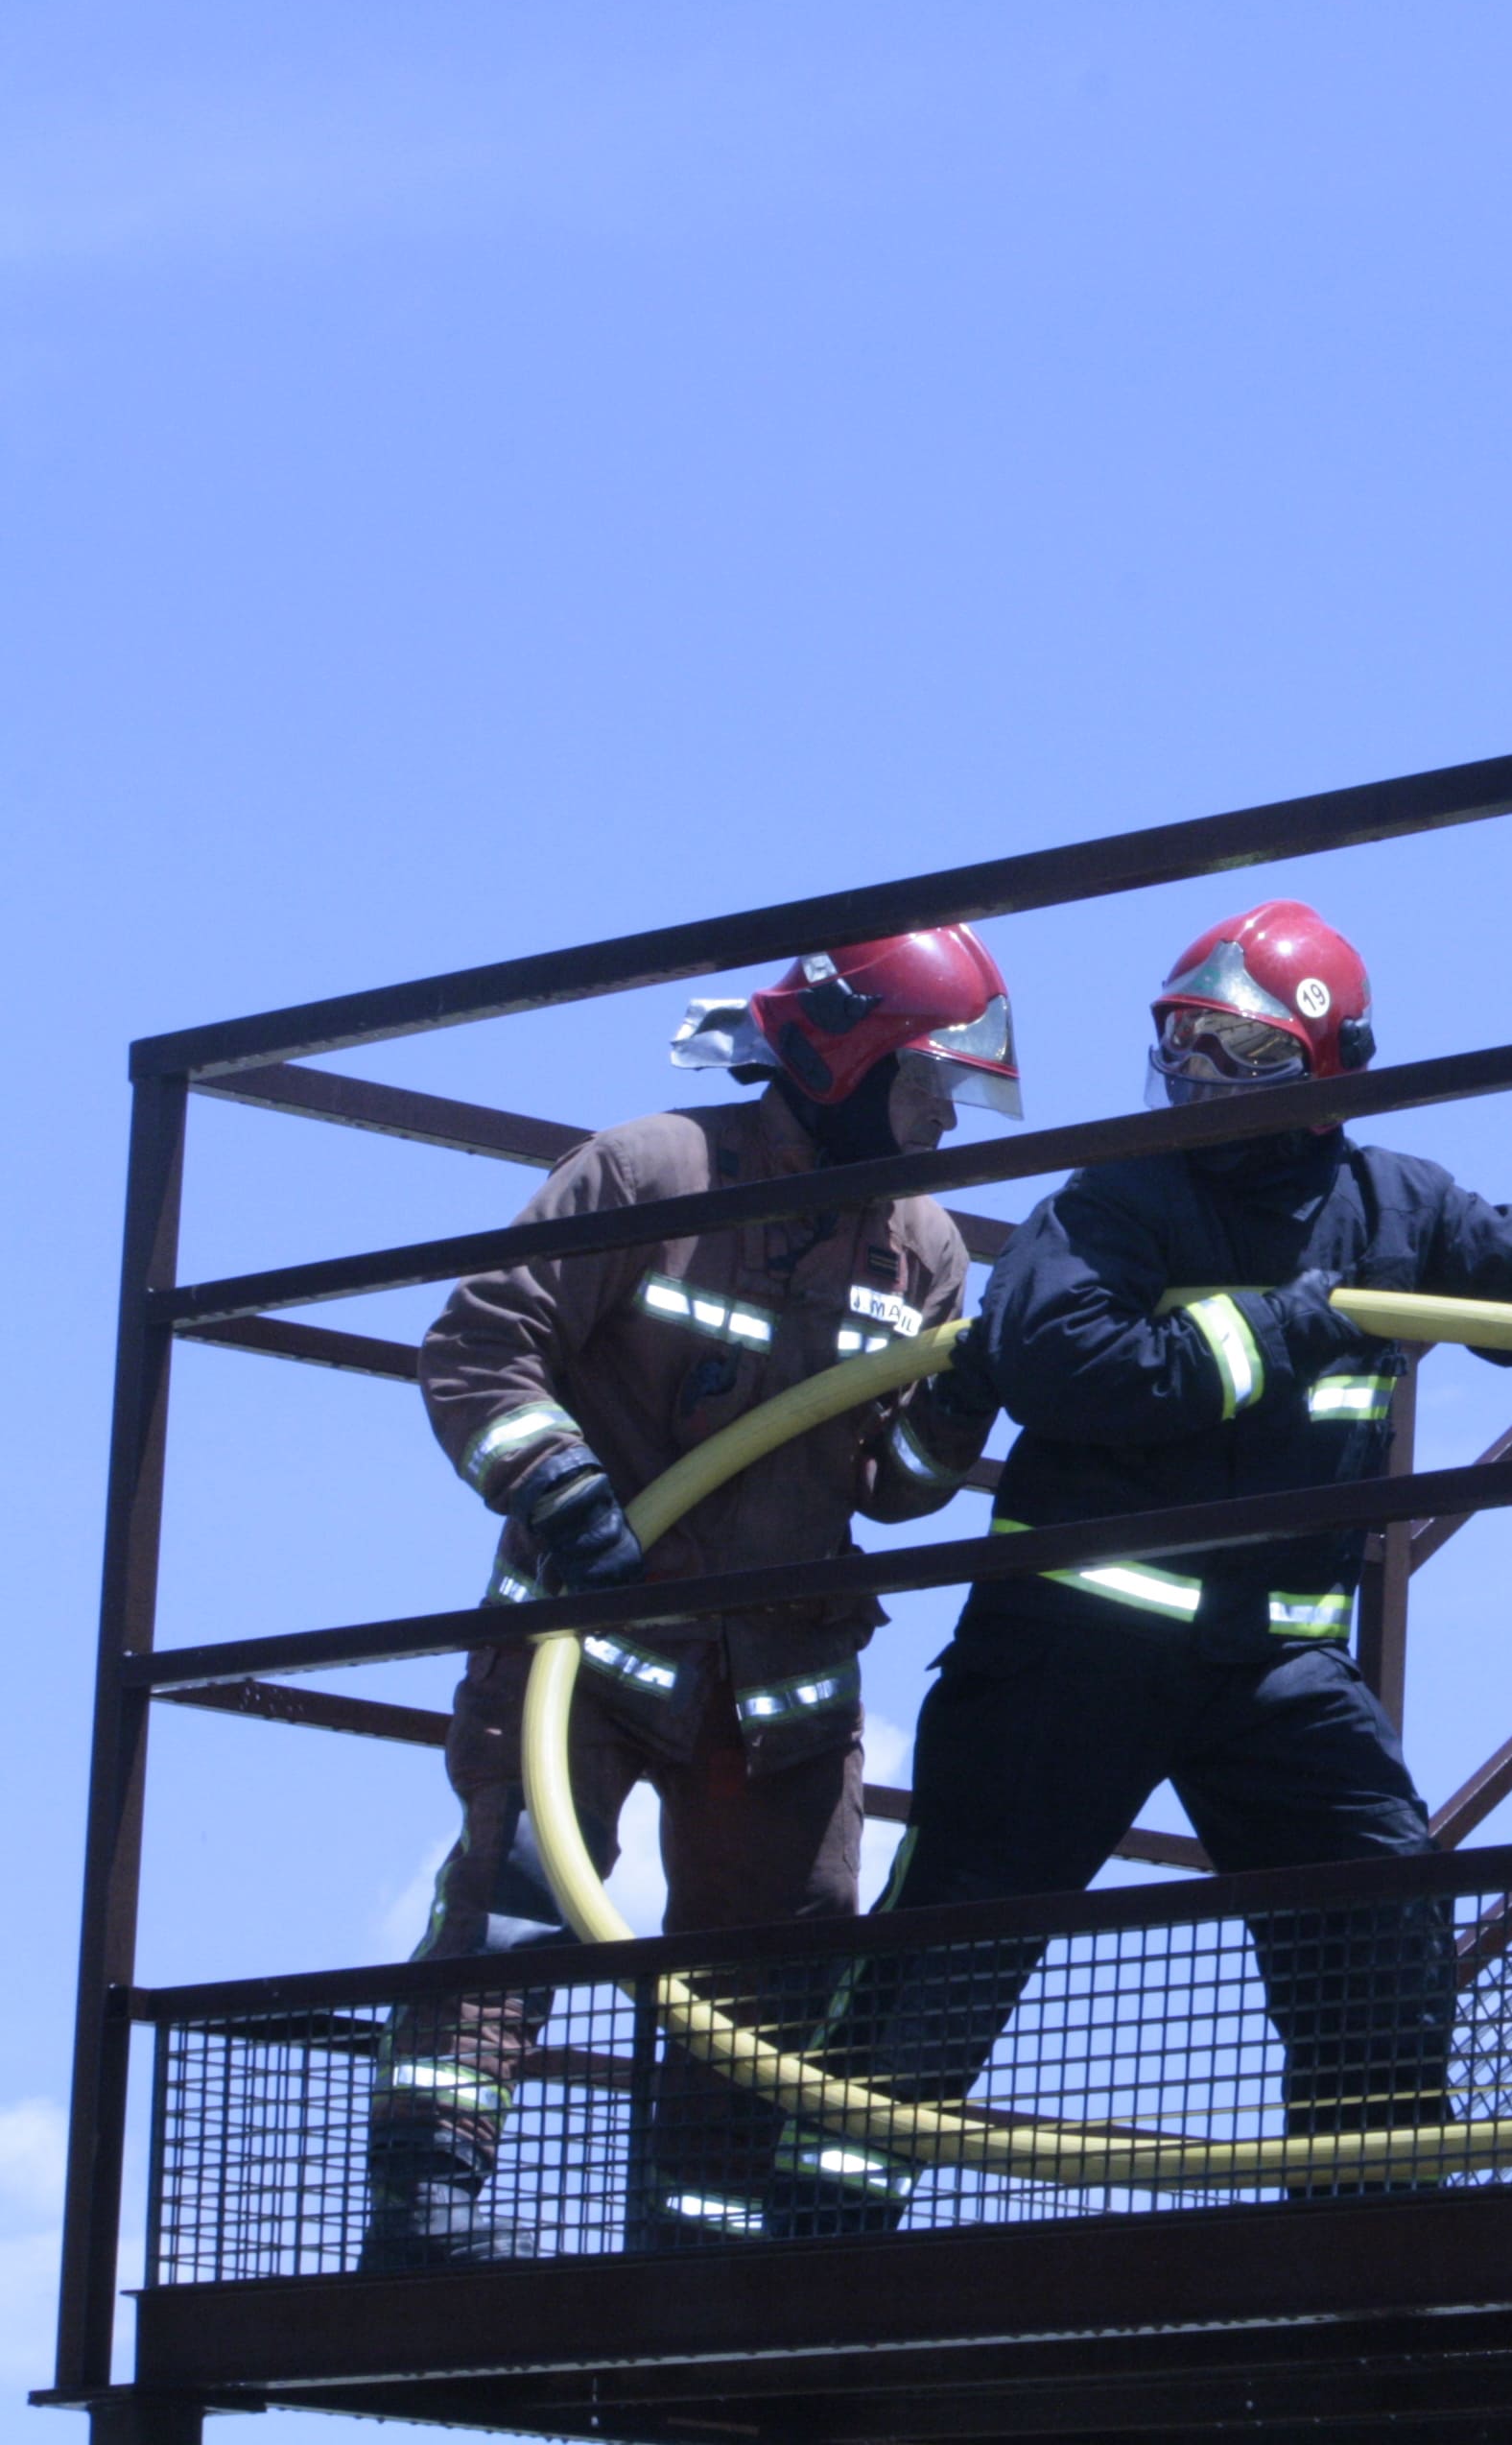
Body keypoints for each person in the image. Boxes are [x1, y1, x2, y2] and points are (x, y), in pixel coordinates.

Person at [783, 898, 1512, 2224]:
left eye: (1232, 1055)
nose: (1194, 1078)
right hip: (1066, 1655)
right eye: (1181, 1045)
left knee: (1383, 1914)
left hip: (1277, 1671)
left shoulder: (1394, 1210)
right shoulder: (1120, 1198)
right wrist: (1277, 1331)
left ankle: (1368, 2245)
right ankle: (814, 2233)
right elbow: (1060, 1357)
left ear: (1325, 1071)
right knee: (954, 1940)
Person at [368, 927, 1021, 2267]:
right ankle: (427, 2210)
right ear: (847, 1060)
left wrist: (955, 1417)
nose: (944, 1119)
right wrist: (559, 1491)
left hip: (780, 1693)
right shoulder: (653, 1170)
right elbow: (483, 1346)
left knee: (764, 1989)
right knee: (512, 1909)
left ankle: (700, 2267)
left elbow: (890, 1487)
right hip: (589, 1642)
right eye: (927, 1083)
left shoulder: (927, 1255)